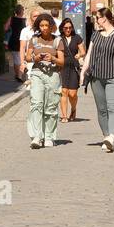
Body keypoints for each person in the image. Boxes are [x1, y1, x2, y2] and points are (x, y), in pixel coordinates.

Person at [79, 8, 114, 152]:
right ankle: (106, 136)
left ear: (104, 18)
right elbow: (89, 55)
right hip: (96, 77)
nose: (96, 20)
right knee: (101, 109)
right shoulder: (96, 35)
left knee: (112, 107)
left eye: (97, 18)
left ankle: (111, 137)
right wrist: (83, 72)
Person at [25, 13, 64, 148]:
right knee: (36, 103)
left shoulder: (57, 41)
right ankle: (37, 136)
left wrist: (52, 58)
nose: (44, 28)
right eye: (41, 25)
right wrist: (35, 58)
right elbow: (28, 57)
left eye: (46, 25)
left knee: (51, 106)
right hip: (37, 73)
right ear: (38, 26)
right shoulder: (34, 40)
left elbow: (62, 62)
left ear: (51, 26)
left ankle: (49, 136)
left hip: (53, 74)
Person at [59, 17, 85, 122]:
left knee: (72, 93)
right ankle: (64, 116)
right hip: (62, 67)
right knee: (64, 91)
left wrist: (79, 55)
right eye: (66, 28)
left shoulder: (77, 37)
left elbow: (83, 51)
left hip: (74, 67)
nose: (68, 30)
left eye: (70, 28)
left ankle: (73, 109)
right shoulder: (59, 39)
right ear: (62, 28)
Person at [5, 4, 26, 84]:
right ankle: (19, 76)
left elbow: (5, 28)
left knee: (16, 59)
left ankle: (17, 75)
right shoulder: (25, 20)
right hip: (22, 40)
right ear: (22, 11)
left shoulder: (11, 19)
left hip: (13, 40)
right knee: (21, 59)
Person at [18, 9, 40, 89]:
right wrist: (22, 63)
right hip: (30, 62)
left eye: (38, 16)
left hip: (43, 61)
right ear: (31, 18)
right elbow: (22, 47)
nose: (37, 18)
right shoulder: (25, 31)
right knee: (31, 87)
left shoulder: (44, 30)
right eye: (35, 16)